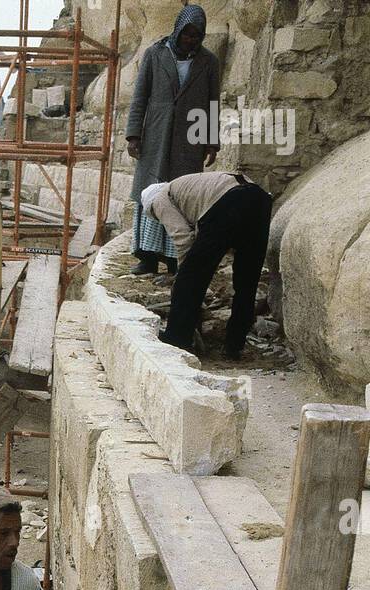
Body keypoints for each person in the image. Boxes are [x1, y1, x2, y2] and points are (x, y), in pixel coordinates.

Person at [126, 5, 220, 277]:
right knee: (150, 192)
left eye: (197, 36)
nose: (191, 40)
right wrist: (134, 134)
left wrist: (211, 142)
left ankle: (176, 259)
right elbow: (139, 97)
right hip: (156, 134)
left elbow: (212, 103)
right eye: (188, 34)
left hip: (189, 139)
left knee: (184, 194)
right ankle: (147, 257)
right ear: (178, 31)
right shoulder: (154, 54)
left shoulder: (209, 62)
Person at [141, 171, 273, 358]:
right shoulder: (190, 187)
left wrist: (184, 275)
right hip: (258, 200)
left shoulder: (159, 198)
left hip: (228, 202)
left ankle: (177, 338)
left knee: (190, 278)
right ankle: (234, 346)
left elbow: (183, 238)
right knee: (247, 282)